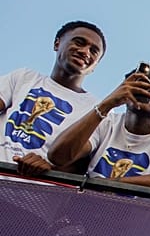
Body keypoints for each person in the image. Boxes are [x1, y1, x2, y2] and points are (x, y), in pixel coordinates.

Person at [26, 66, 150, 190]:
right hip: (86, 224)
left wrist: (108, 184)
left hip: (139, 234)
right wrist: (108, 103)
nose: (149, 87)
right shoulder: (105, 122)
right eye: (138, 81)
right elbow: (59, 156)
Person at [2, 21, 105, 168]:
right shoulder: (24, 77)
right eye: (79, 42)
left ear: (95, 66)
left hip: (36, 189)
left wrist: (50, 167)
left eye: (94, 51)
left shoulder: (98, 109)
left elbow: (77, 164)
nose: (85, 52)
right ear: (57, 44)